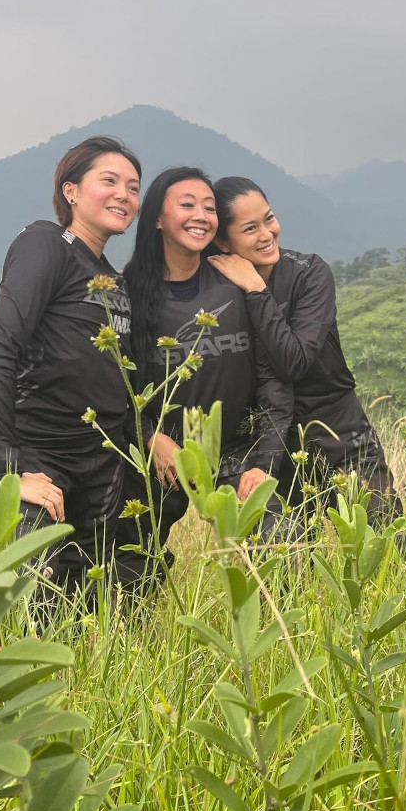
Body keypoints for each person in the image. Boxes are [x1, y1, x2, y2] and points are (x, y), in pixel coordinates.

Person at [0, 136, 142, 606]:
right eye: (109, 181)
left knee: (97, 615)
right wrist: (11, 470)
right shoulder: (47, 243)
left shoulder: (114, 280)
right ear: (70, 190)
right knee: (31, 606)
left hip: (102, 468)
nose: (124, 195)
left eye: (133, 187)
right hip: (40, 456)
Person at [114, 167, 292, 588]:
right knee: (130, 563)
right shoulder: (128, 293)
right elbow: (113, 385)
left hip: (236, 447)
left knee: (278, 552)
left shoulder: (235, 281)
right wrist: (149, 438)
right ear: (157, 217)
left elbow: (274, 380)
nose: (201, 215)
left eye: (209, 207)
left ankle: (274, 647)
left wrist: (263, 462)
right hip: (164, 456)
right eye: (187, 205)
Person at [209, 176, 406, 548]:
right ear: (223, 241)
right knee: (286, 557)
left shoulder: (309, 274)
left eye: (269, 219)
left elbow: (295, 361)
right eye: (250, 228)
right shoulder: (215, 290)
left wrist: (255, 289)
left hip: (336, 426)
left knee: (384, 541)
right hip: (267, 439)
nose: (267, 234)